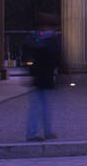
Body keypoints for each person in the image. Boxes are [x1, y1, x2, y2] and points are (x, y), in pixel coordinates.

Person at [24, 13, 62, 141]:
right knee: (41, 106)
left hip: (39, 76)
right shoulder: (49, 40)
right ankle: (37, 133)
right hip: (44, 76)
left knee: (39, 105)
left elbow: (30, 56)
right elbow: (54, 58)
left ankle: (39, 132)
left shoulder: (36, 38)